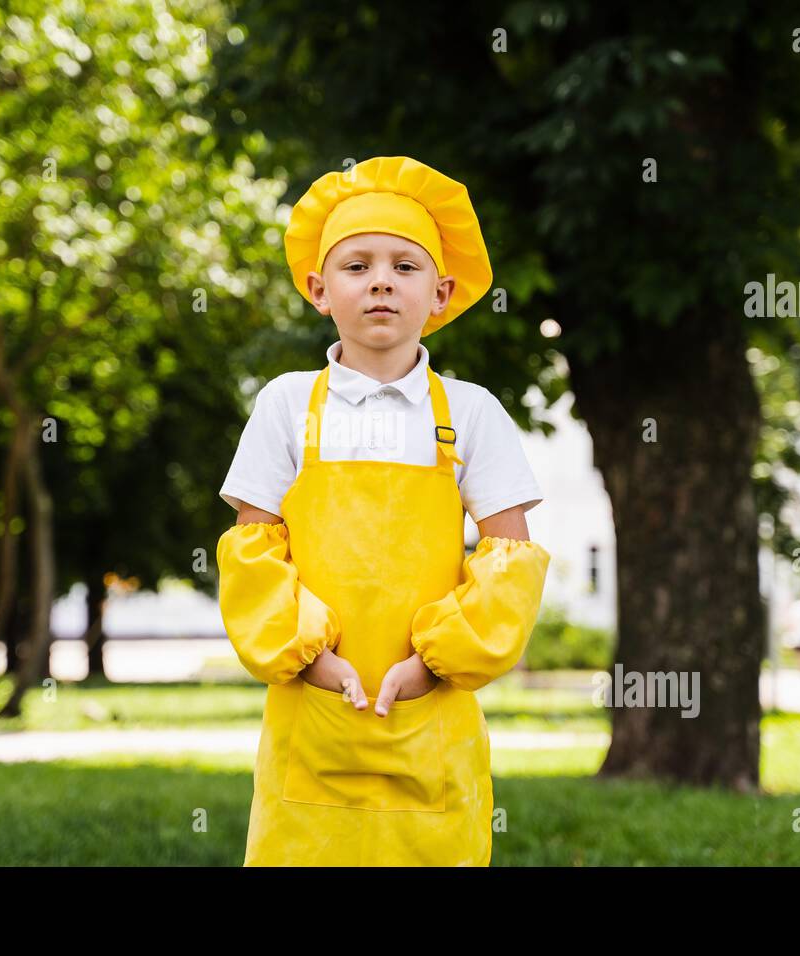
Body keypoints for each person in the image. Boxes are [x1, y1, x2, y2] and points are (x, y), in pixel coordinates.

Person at [215, 156, 551, 866]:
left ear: (441, 291)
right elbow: (252, 549)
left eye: (404, 266)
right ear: (317, 288)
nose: (380, 282)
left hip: (432, 717)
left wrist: (435, 663)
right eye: (356, 265)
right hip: (312, 712)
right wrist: (310, 660)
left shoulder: (472, 411)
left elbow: (509, 561)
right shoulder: (285, 404)